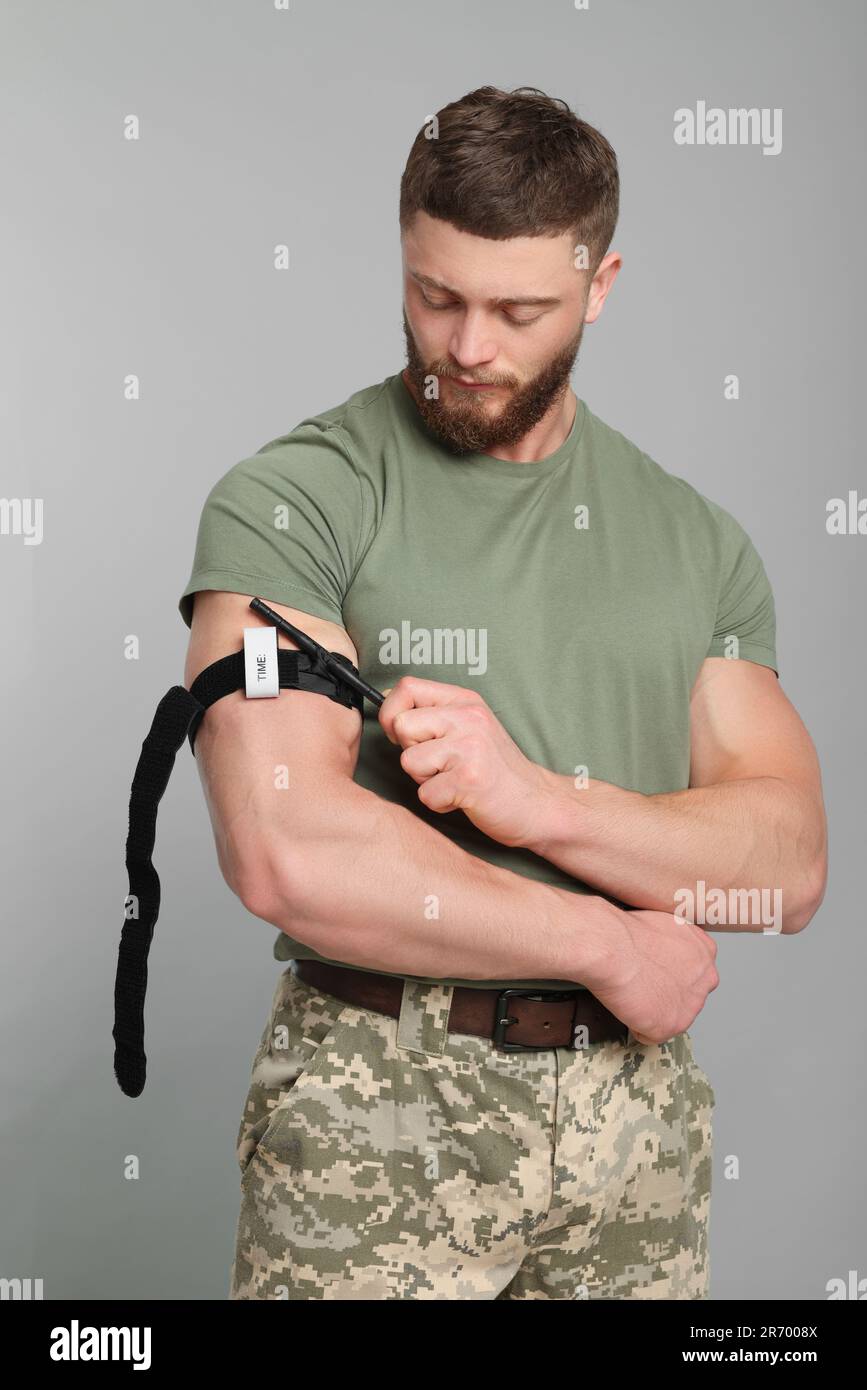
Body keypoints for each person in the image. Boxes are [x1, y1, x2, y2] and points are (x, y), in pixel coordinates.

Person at [178, 85, 827, 1300]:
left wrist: (543, 804)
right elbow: (286, 851)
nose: (469, 348)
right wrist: (604, 941)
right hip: (382, 1116)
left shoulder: (695, 540)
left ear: (602, 282)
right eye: (437, 296)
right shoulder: (294, 501)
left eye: (519, 309)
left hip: (637, 1134)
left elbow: (784, 863)